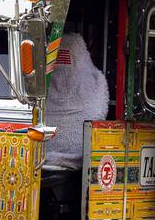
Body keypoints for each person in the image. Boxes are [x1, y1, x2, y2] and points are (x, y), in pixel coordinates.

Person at [44, 32, 110, 170]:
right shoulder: (96, 81)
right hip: (79, 158)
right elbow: (99, 115)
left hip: (41, 154)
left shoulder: (38, 84)